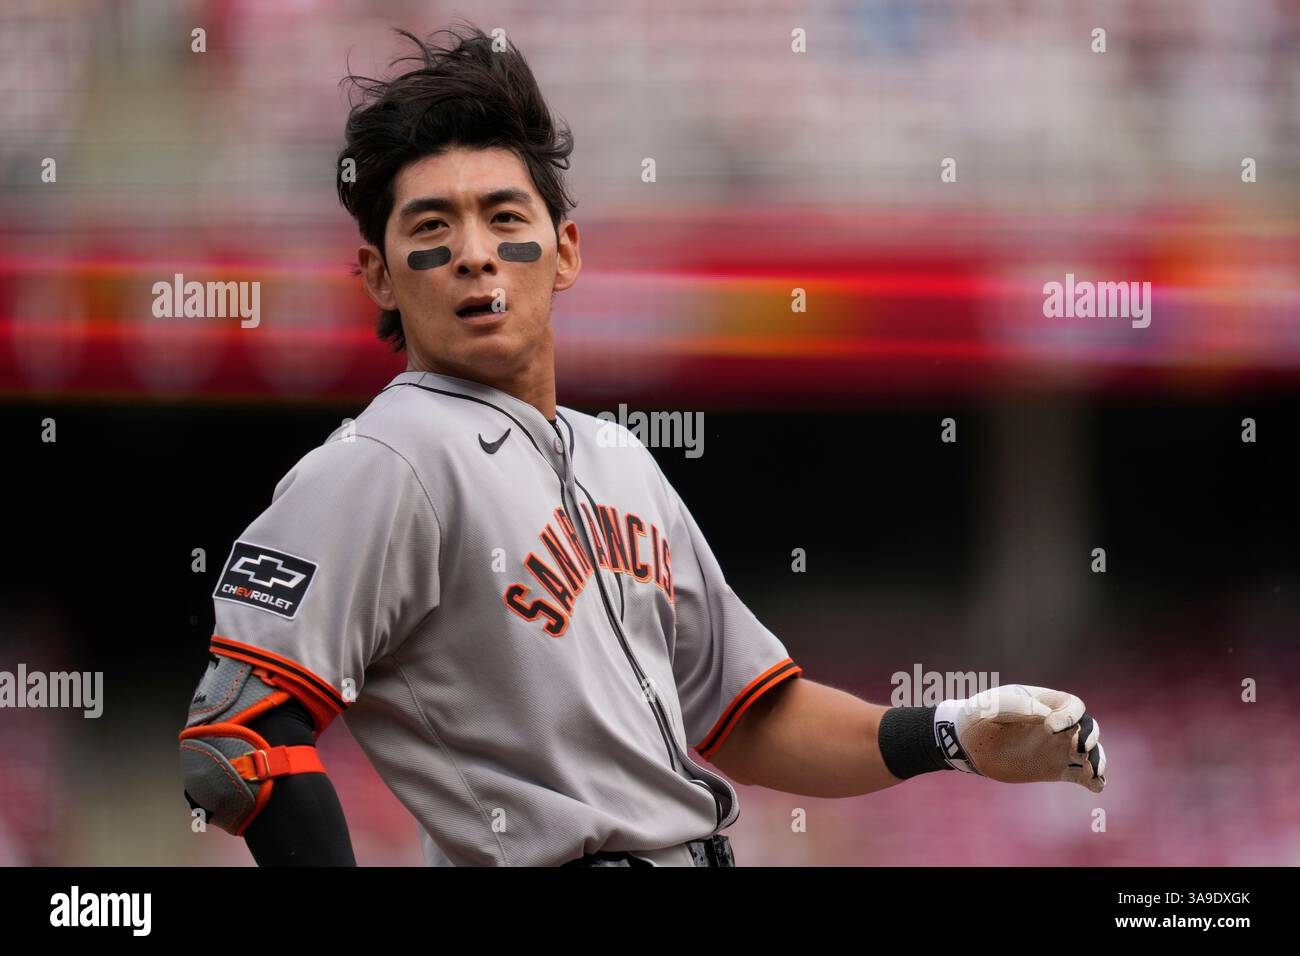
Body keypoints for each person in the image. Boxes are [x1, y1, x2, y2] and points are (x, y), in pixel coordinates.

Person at [178, 21, 1105, 868]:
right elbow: (237, 740)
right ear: (379, 275)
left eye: (506, 218)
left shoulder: (618, 458)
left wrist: (949, 732)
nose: (474, 252)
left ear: (566, 250)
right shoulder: (385, 462)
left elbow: (748, 714)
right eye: (431, 227)